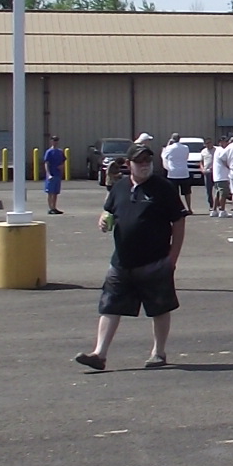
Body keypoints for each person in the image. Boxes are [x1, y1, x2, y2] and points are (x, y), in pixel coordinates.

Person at [74, 144, 187, 371]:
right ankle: (99, 354)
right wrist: (103, 219)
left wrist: (173, 257)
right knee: (110, 306)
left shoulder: (163, 188)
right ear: (128, 164)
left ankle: (158, 352)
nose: (144, 165)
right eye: (139, 161)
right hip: (121, 262)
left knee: (159, 308)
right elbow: (109, 211)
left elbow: (179, 222)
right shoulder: (120, 187)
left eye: (147, 160)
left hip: (155, 261)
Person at [161, 133, 193, 210]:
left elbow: (163, 156)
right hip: (184, 172)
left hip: (173, 173)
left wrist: (168, 144)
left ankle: (176, 208)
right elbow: (186, 157)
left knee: (174, 193)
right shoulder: (185, 147)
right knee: (187, 192)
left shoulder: (169, 148)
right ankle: (189, 208)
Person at [42, 135, 67, 214]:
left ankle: (54, 207)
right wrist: (48, 174)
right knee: (50, 192)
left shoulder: (60, 151)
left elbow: (63, 161)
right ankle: (50, 208)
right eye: (53, 140)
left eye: (56, 140)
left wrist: (62, 167)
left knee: (56, 192)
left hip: (57, 174)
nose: (55, 142)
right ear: (51, 141)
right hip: (51, 174)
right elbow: (46, 163)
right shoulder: (49, 152)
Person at [201, 138, 223, 216]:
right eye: (206, 143)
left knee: (218, 189)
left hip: (215, 172)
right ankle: (211, 205)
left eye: (209, 143)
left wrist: (214, 167)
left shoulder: (217, 150)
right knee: (208, 190)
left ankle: (219, 205)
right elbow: (201, 161)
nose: (208, 145)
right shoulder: (203, 151)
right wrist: (202, 169)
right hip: (207, 172)